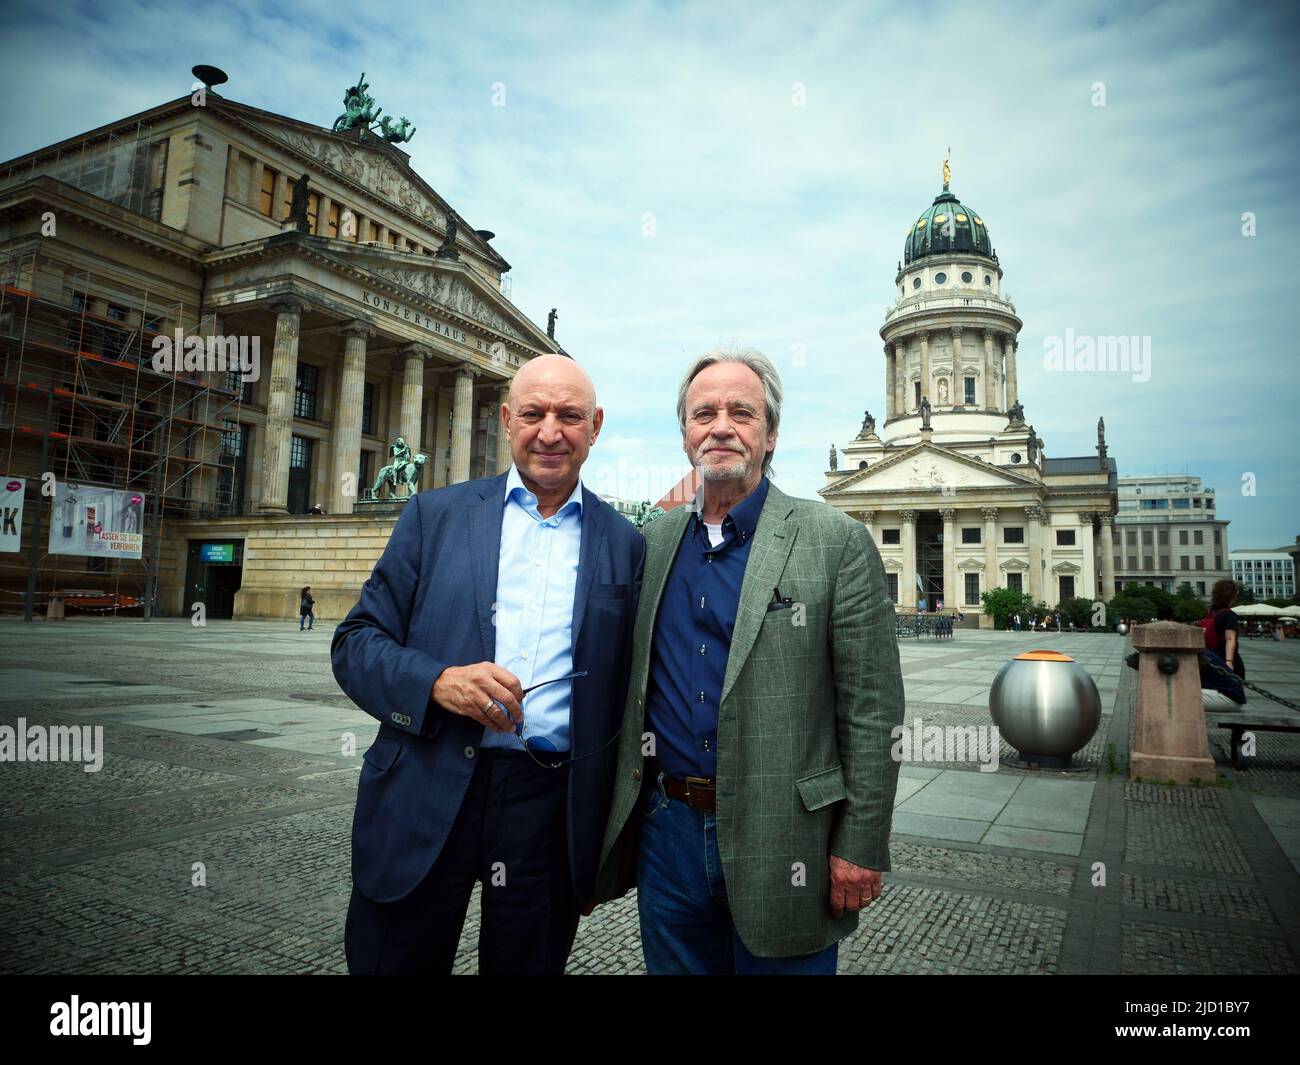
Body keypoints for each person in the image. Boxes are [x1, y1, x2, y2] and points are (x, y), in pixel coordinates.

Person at [592, 348, 905, 975]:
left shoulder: (833, 540)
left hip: (788, 836)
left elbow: (873, 709)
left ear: (771, 434)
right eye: (703, 413)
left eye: (743, 412)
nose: (721, 426)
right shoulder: (652, 543)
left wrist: (860, 844)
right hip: (668, 832)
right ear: (685, 435)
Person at [332, 354, 643, 975]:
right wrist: (437, 682)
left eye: (569, 416)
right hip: (426, 779)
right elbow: (355, 642)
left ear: (596, 425)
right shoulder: (434, 515)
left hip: (547, 807)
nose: (549, 432)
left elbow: (626, 694)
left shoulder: (625, 542)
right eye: (533, 413)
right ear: (506, 420)